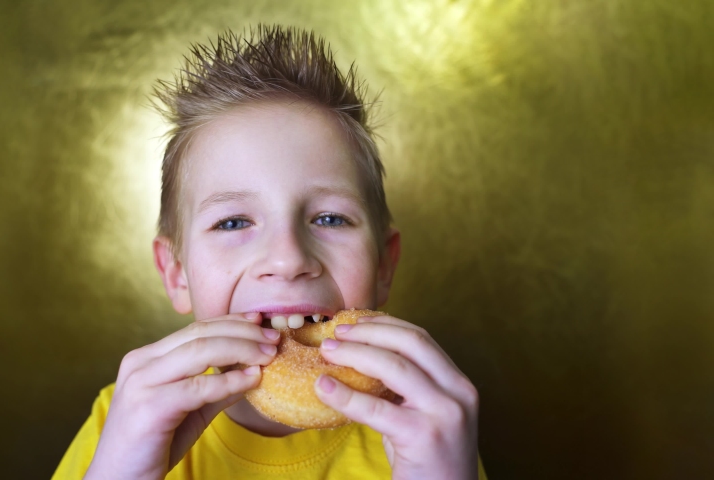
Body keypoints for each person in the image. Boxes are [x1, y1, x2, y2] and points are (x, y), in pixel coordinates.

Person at [52, 24, 487, 480]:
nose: (288, 259)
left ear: (383, 265)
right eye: (233, 222)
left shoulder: (426, 431)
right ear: (177, 273)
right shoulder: (124, 422)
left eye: (330, 218)